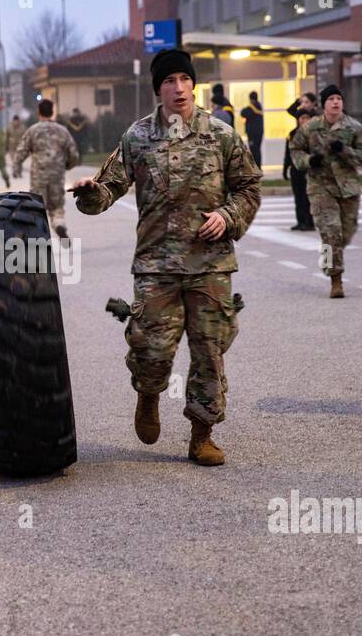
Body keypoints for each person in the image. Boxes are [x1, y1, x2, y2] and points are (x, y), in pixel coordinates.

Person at [73, 48, 260, 464]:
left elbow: (248, 187)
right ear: (158, 90)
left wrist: (228, 217)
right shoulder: (137, 137)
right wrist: (90, 193)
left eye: (184, 79)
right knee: (151, 350)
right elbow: (108, 190)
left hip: (210, 265)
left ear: (194, 84)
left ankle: (201, 433)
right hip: (156, 265)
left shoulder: (222, 135)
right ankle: (148, 393)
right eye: (169, 82)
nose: (178, 88)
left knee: (209, 350)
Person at [290, 83, 362, 298]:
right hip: (320, 187)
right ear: (324, 104)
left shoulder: (354, 127)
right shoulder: (310, 127)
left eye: (339, 98)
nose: (336, 102)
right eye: (331, 99)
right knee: (331, 232)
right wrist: (308, 160)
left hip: (347, 188)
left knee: (345, 234)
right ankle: (336, 280)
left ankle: (328, 256)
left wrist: (344, 150)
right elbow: (295, 148)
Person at [12, 98, 78, 238]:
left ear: (39, 112)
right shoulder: (62, 131)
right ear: (52, 112)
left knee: (36, 208)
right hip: (57, 175)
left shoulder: (33, 131)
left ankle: (36, 238)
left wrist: (16, 167)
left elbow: (21, 151)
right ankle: (59, 223)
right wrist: (67, 165)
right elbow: (74, 154)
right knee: (57, 207)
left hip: (38, 177)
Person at [283, 108, 315, 230]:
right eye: (302, 118)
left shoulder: (313, 134)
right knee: (298, 197)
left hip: (309, 170)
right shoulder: (291, 134)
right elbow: (287, 153)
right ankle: (300, 221)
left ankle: (309, 222)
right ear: (298, 120)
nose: (305, 120)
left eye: (307, 118)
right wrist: (285, 168)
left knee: (308, 197)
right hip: (296, 170)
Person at [240, 91, 264, 169]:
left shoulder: (251, 108)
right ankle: (258, 166)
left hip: (252, 133)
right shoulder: (259, 106)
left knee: (254, 150)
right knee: (257, 149)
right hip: (259, 132)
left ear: (250, 99)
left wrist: (244, 108)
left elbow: (243, 113)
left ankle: (255, 167)